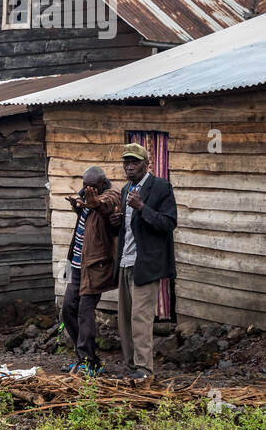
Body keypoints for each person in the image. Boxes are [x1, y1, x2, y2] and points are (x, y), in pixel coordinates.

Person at [109, 143, 178, 381]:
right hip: (126, 262)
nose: (129, 167)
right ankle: (132, 367)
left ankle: (144, 369)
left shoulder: (160, 187)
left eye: (135, 162)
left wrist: (142, 208)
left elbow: (168, 223)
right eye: (126, 163)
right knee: (125, 319)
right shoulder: (126, 189)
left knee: (141, 317)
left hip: (146, 264)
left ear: (147, 164)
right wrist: (117, 222)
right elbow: (130, 229)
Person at [60, 166, 121, 376]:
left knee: (84, 311)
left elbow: (107, 204)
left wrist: (96, 203)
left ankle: (88, 362)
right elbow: (87, 215)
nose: (88, 190)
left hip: (95, 267)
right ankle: (87, 358)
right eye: (85, 185)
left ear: (103, 184)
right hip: (77, 265)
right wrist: (79, 206)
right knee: (67, 308)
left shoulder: (110, 195)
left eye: (92, 186)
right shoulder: (86, 196)